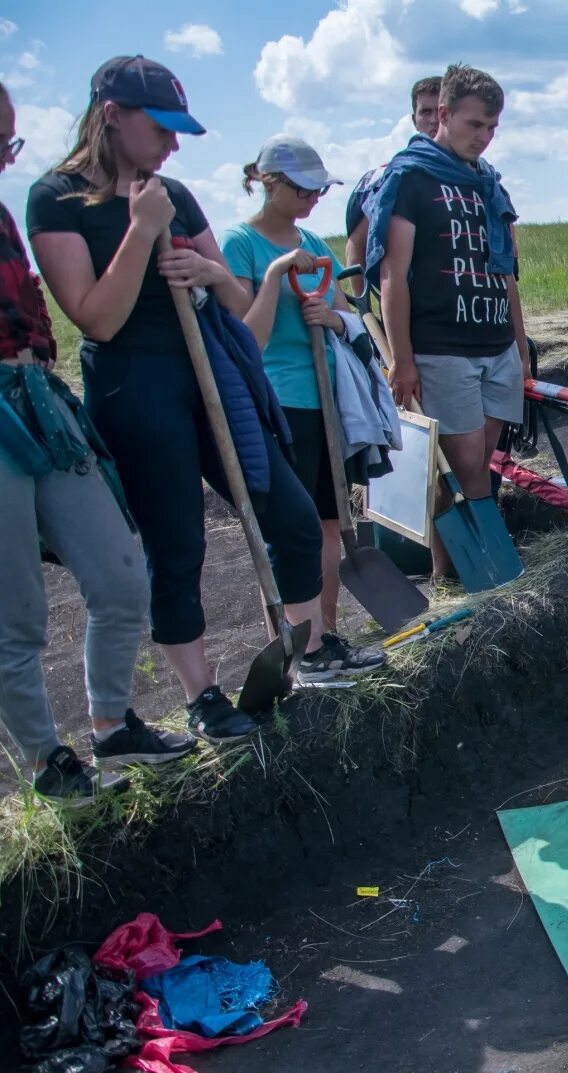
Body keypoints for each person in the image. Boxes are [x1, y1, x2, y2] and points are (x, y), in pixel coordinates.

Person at [28, 56, 328, 743]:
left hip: (207, 378)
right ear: (112, 115)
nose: (172, 144)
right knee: (178, 547)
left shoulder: (177, 195)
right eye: (160, 127)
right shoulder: (55, 199)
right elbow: (95, 317)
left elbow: (235, 298)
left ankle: (303, 653)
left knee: (293, 517)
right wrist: (139, 231)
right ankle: (201, 696)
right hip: (134, 386)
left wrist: (208, 272)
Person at [0, 82, 196, 803]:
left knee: (120, 574)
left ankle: (113, 724)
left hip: (38, 401)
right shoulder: (53, 199)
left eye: (8, 144)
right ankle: (46, 761)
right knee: (13, 610)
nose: (5, 159)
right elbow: (97, 319)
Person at [222, 135, 385, 677]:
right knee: (292, 530)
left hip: (325, 401)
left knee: (330, 525)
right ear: (269, 183)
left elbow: (343, 313)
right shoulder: (240, 245)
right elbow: (247, 336)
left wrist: (330, 319)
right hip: (278, 403)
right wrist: (275, 279)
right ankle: (293, 649)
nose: (314, 198)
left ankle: (326, 636)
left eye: (320, 189)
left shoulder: (314, 239)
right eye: (304, 188)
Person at [364, 63, 529, 582]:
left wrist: (520, 347)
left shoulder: (489, 186)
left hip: (495, 341)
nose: (483, 137)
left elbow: (507, 274)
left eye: (491, 128)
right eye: (475, 124)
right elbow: (394, 273)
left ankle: (456, 570)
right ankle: (479, 571)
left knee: (476, 464)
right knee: (466, 465)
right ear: (443, 113)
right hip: (441, 346)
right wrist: (403, 358)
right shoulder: (412, 178)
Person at [345, 76, 441, 279]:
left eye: (439, 111)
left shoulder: (480, 176)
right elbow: (357, 245)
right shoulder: (391, 177)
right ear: (414, 120)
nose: (434, 120)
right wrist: (365, 309)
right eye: (425, 112)